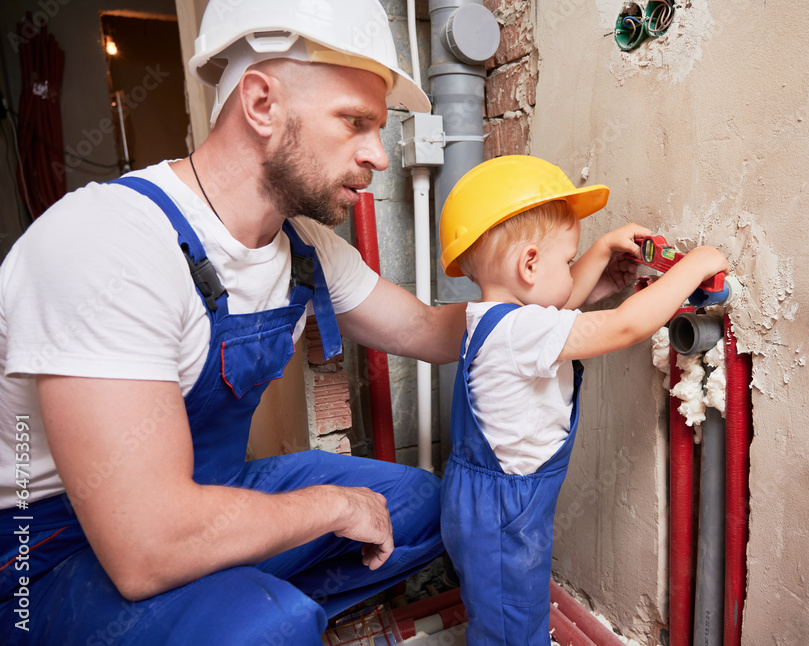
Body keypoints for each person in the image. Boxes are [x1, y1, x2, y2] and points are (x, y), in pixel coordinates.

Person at [0, 1, 473, 644]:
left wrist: (559, 299)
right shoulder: (107, 244)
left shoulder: (302, 245)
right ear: (261, 104)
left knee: (420, 507)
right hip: (47, 553)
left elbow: (423, 329)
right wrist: (329, 506)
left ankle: (253, 612)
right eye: (355, 122)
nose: (379, 156)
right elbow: (145, 547)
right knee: (264, 625)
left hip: (206, 489)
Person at [437, 155, 730, 645]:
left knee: (499, 616)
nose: (572, 271)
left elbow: (554, 304)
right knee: (513, 629)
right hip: (504, 518)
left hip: (484, 502)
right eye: (565, 259)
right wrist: (695, 265)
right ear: (529, 264)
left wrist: (599, 258)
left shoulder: (494, 319)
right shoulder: (521, 332)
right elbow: (626, 325)